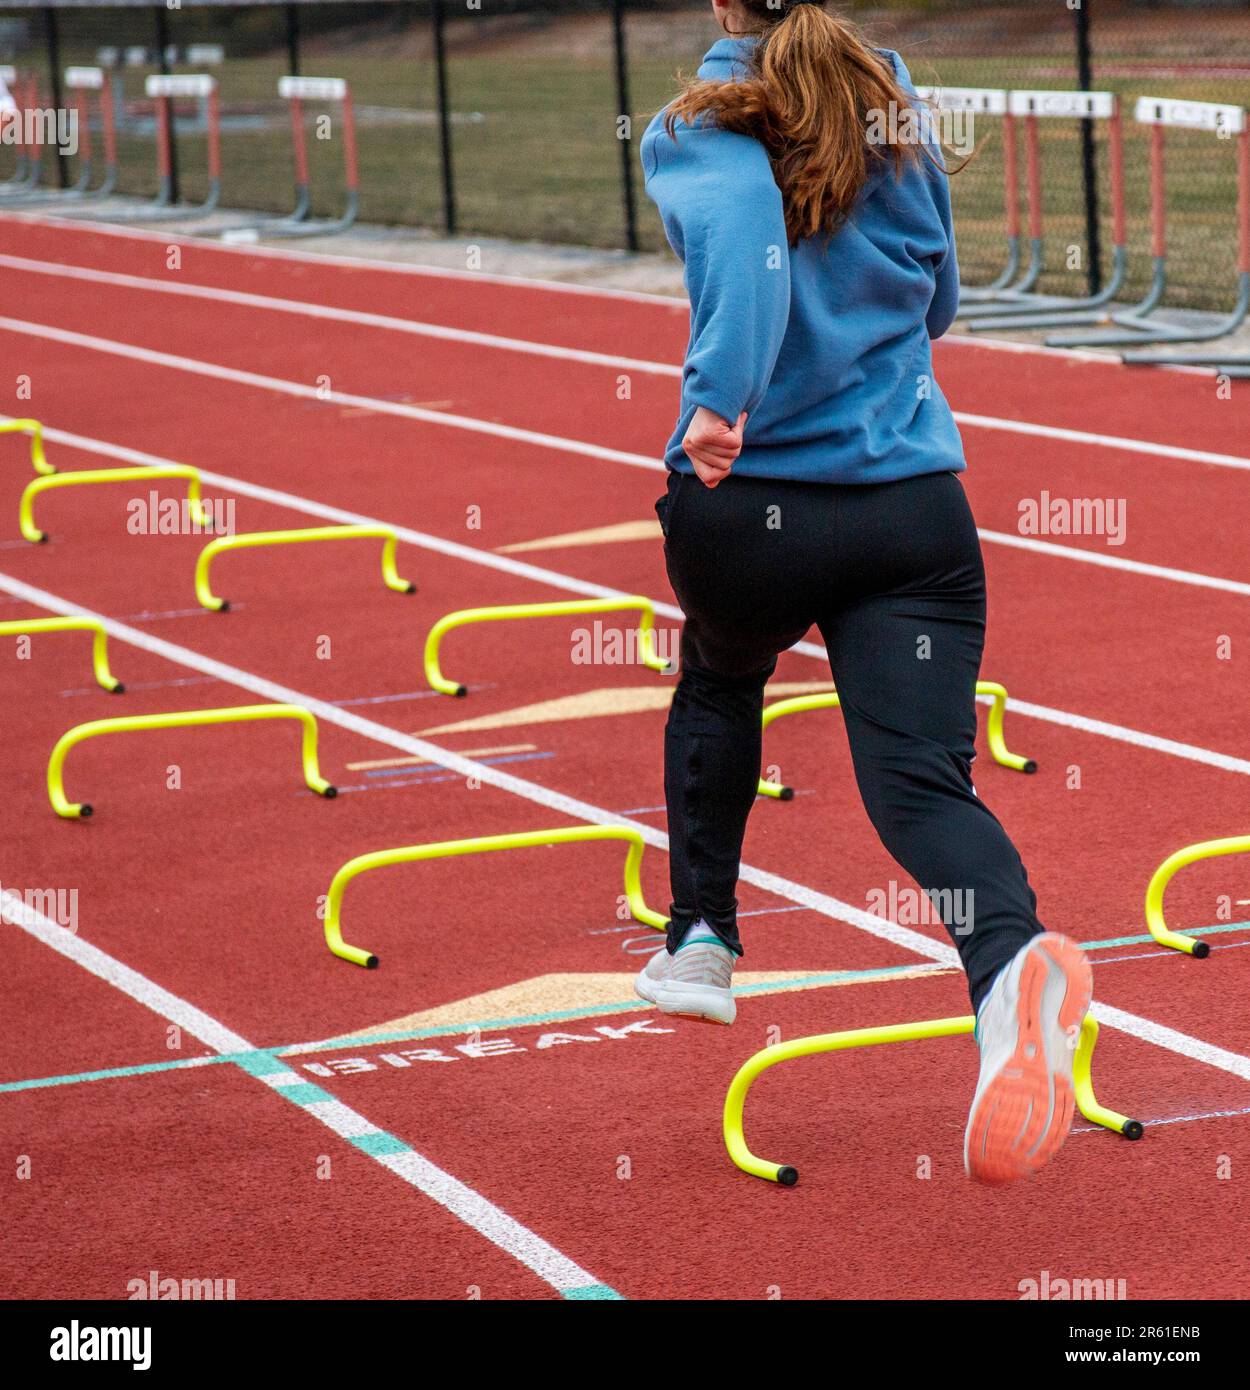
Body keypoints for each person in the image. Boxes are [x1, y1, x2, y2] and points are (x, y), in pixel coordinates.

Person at [633, 0, 1092, 1184]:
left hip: (757, 509)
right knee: (919, 787)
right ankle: (1005, 972)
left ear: (722, 5)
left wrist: (721, 397)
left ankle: (698, 939)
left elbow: (744, 246)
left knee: (720, 679)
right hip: (910, 512)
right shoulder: (887, 102)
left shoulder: (695, 121)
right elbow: (936, 296)